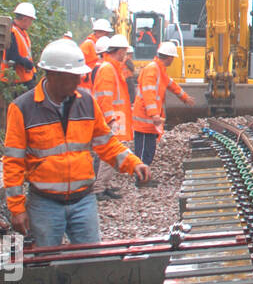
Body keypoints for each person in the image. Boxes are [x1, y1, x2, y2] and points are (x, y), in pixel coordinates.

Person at [3, 38, 150, 284]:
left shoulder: (85, 102)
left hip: (82, 200)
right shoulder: (23, 108)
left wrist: (132, 163)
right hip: (45, 203)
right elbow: (12, 162)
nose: (80, 81)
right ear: (53, 75)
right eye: (74, 77)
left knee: (93, 266)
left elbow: (106, 143)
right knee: (44, 269)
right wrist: (17, 208)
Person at [132, 41, 193, 175]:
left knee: (149, 151)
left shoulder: (159, 70)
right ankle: (140, 178)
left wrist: (184, 97)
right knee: (142, 152)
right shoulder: (152, 69)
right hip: (144, 120)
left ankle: (144, 176)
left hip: (150, 121)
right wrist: (154, 114)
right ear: (169, 57)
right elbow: (149, 93)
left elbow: (172, 85)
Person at [92, 35, 134, 200]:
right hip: (112, 119)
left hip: (116, 117)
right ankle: (99, 188)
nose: (126, 55)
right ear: (120, 50)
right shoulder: (108, 69)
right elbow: (104, 97)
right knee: (110, 153)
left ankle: (105, 185)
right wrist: (110, 119)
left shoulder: (113, 67)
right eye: (125, 51)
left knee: (112, 153)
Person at [0, 2, 37, 88]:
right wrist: (27, 63)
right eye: (31, 20)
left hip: (24, 78)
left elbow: (27, 54)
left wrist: (33, 71)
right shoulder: (12, 32)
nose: (31, 23)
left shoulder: (22, 32)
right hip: (16, 81)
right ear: (25, 19)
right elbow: (12, 56)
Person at [79, 18, 112, 93]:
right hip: (86, 85)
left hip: (93, 82)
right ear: (98, 32)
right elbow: (79, 63)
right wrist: (86, 76)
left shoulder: (99, 44)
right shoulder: (88, 45)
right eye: (106, 33)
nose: (107, 36)